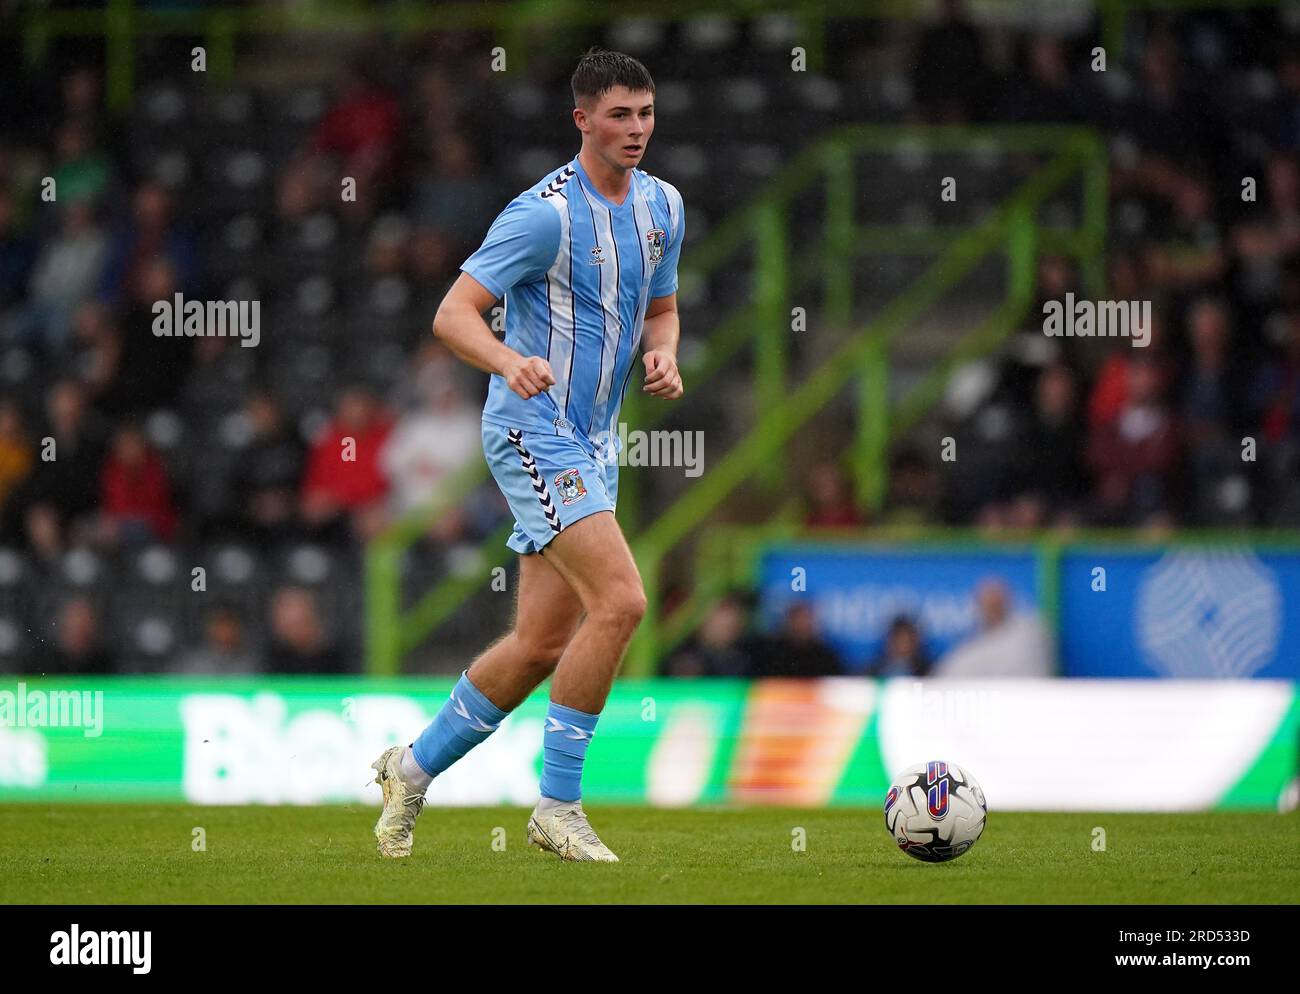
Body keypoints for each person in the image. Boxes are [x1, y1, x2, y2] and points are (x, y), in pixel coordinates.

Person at [370, 49, 685, 863]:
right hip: (529, 429)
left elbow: (663, 307)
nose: (636, 129)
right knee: (621, 601)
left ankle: (410, 768)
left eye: (645, 113)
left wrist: (666, 353)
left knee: (542, 642)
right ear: (581, 119)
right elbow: (453, 314)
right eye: (619, 114)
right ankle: (558, 805)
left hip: (594, 440)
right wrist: (509, 360)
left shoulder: (662, 206)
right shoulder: (542, 215)